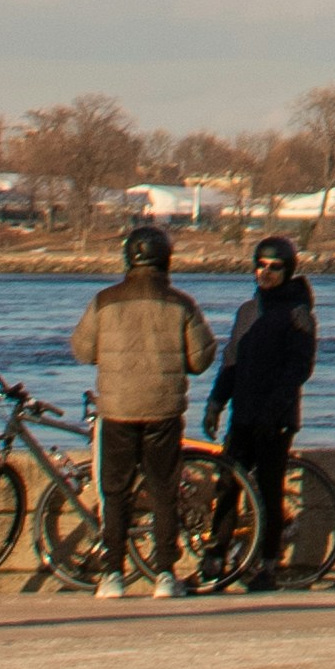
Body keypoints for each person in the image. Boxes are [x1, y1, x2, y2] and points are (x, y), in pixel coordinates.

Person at [69, 218, 216, 593]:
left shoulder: (105, 300)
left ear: (128, 259)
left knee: (114, 492)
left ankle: (111, 574)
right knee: (163, 490)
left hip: (116, 409)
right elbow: (200, 360)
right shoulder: (181, 303)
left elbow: (82, 350)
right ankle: (165, 574)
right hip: (163, 411)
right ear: (166, 260)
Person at [202, 233, 321, 588]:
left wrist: (275, 410)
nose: (266, 273)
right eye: (260, 265)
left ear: (288, 270)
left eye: (275, 267)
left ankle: (269, 564)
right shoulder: (247, 311)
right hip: (243, 413)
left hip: (277, 419)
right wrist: (215, 403)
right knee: (227, 485)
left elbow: (299, 369)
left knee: (269, 491)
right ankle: (215, 558)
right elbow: (231, 362)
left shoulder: (298, 313)